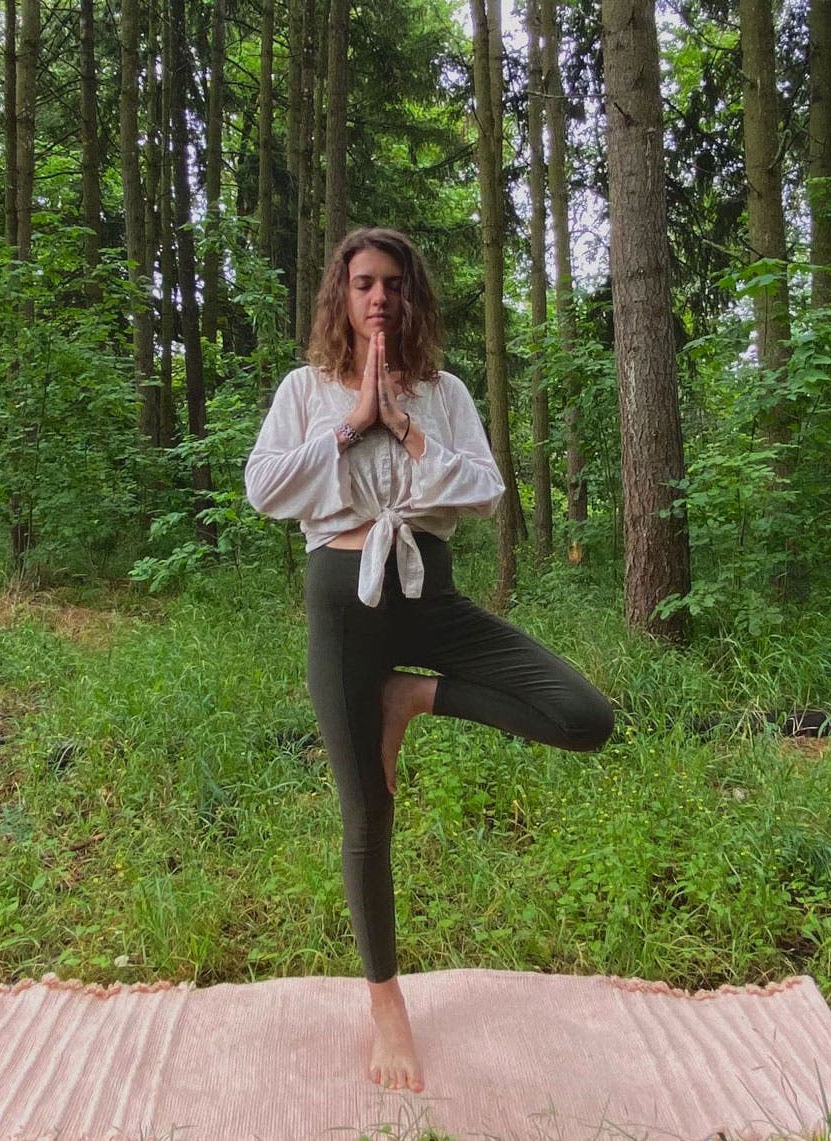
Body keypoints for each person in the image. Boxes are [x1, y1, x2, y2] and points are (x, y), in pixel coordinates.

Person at [244, 228, 616, 1093]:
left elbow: (483, 490)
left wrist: (404, 427)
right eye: (364, 283)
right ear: (341, 295)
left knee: (583, 716)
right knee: (367, 813)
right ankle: (386, 1002)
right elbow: (265, 489)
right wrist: (350, 427)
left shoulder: (444, 393)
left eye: (394, 285)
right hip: (344, 606)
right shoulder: (304, 390)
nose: (379, 298)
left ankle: (414, 696)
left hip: (431, 596)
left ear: (413, 299)